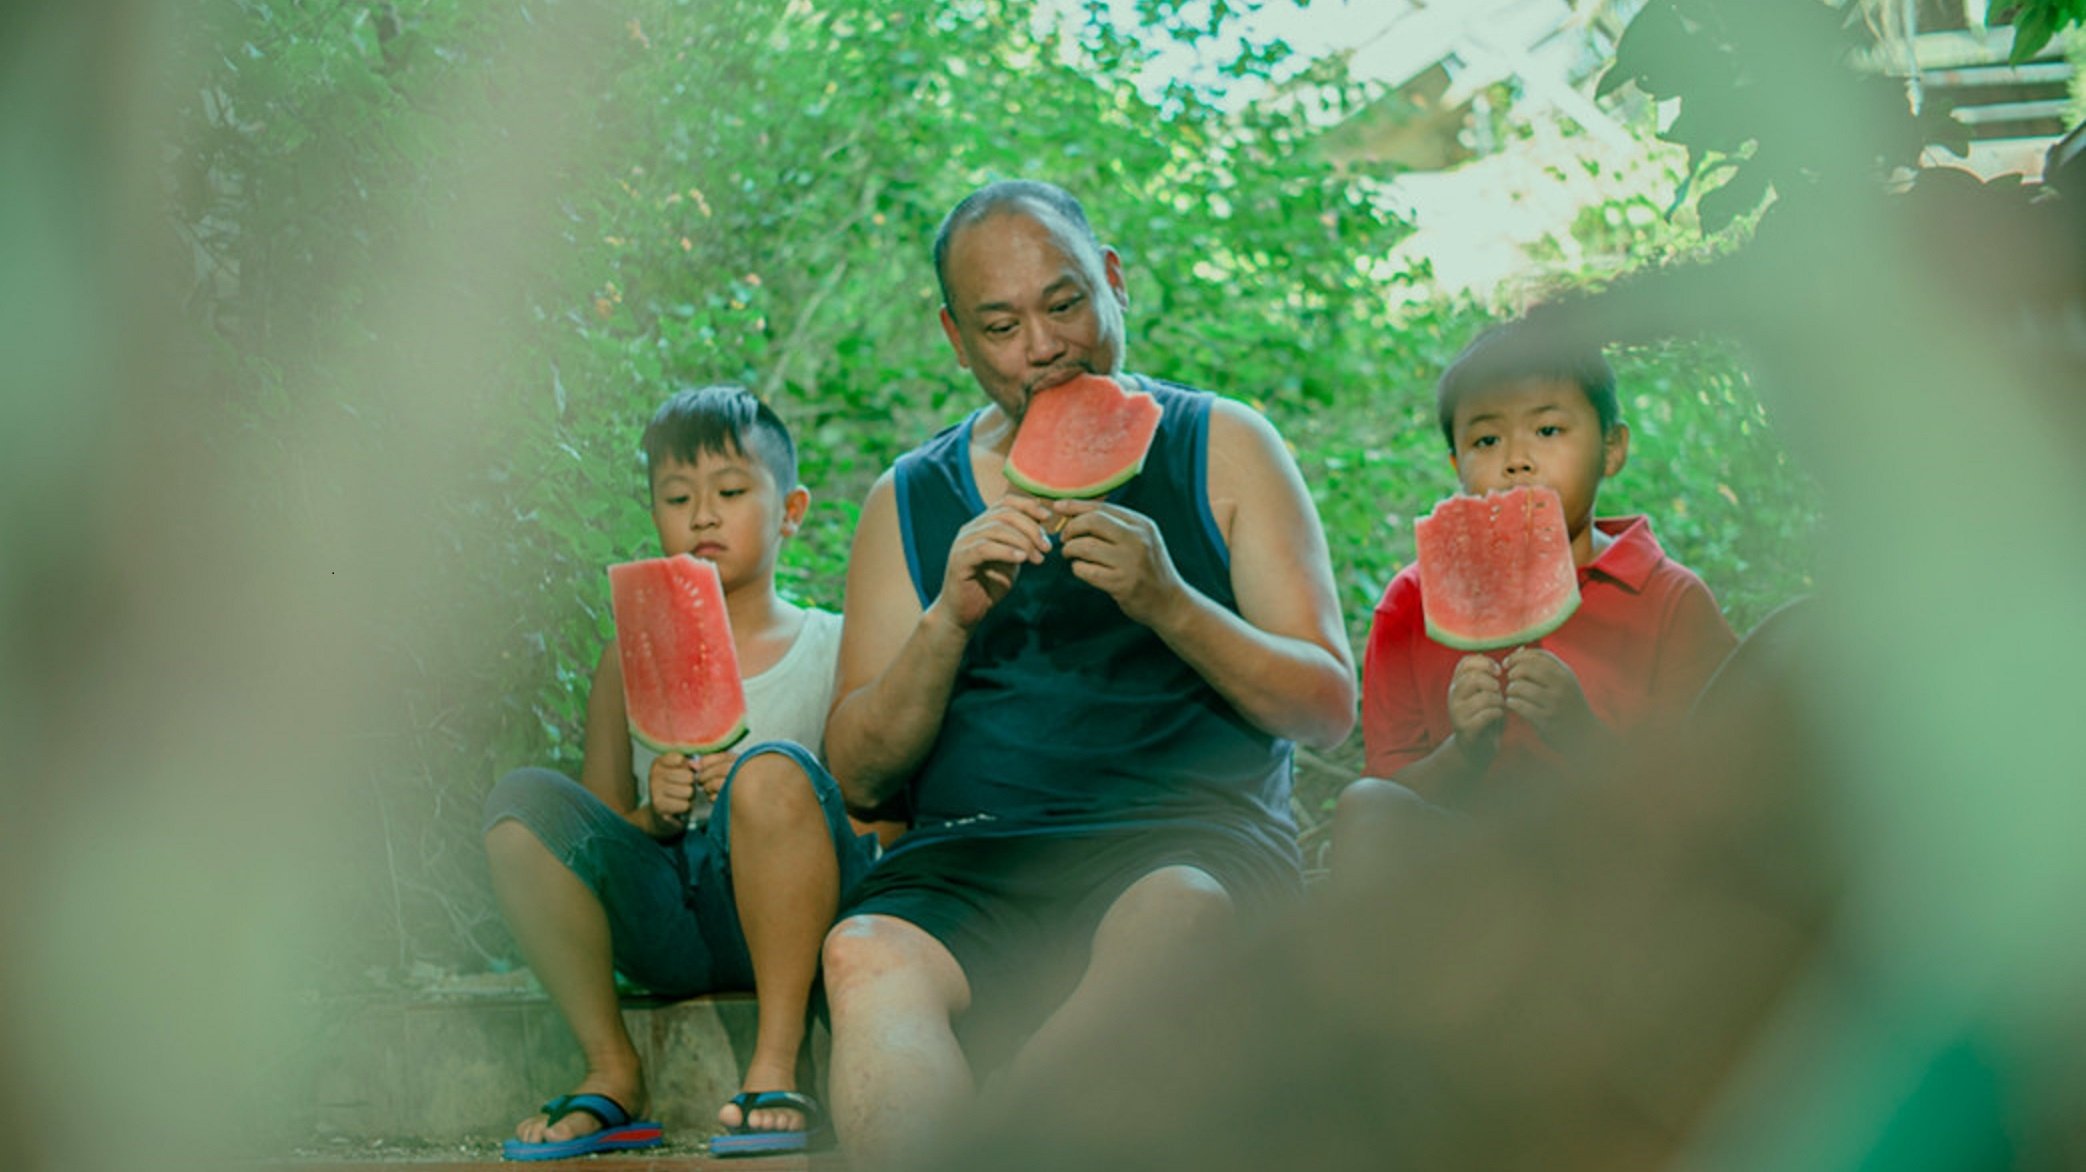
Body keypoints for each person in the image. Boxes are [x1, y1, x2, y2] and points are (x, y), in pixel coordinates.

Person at [815, 179, 1356, 1166]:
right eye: (1001, 323)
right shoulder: (910, 495)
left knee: (1175, 910)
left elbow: (1324, 704)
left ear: (1111, 282)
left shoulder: (1223, 443)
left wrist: (1169, 600)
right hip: (975, 855)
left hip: (1190, 840)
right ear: (956, 337)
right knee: (864, 951)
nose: (1044, 344)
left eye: (1064, 303)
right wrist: (946, 622)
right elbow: (856, 770)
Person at [482, 385, 895, 1159]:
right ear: (656, 515)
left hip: (794, 929)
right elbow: (600, 840)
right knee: (520, 808)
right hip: (670, 920)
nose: (703, 515)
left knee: (773, 774)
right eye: (677, 497)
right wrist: (657, 815)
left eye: (731, 492)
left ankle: (775, 1061)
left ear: (792, 509)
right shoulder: (624, 664)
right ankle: (611, 1068)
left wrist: (771, 793)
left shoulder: (836, 645)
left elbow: (874, 819)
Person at [1333, 317, 1738, 883]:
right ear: (1456, 466)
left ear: (1612, 448)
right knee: (1366, 807)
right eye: (1486, 439)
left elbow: (1713, 800)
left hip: (1620, 883)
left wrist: (1583, 736)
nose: (1516, 458)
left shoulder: (1671, 600)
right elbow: (1387, 799)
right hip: (1465, 884)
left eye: (1548, 430)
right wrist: (1460, 752)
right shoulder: (1410, 604)